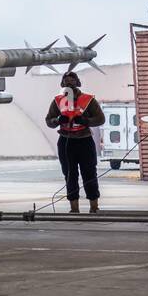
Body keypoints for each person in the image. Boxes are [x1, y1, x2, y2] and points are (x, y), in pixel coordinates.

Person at [45, 70, 105, 213]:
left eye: (72, 79)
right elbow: (49, 121)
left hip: (84, 141)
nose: (69, 82)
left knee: (89, 173)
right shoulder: (58, 101)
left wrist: (86, 121)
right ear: (62, 83)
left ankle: (94, 207)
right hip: (66, 142)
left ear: (77, 82)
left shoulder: (88, 100)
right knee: (70, 175)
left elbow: (100, 119)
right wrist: (58, 120)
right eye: (66, 80)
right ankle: (74, 209)